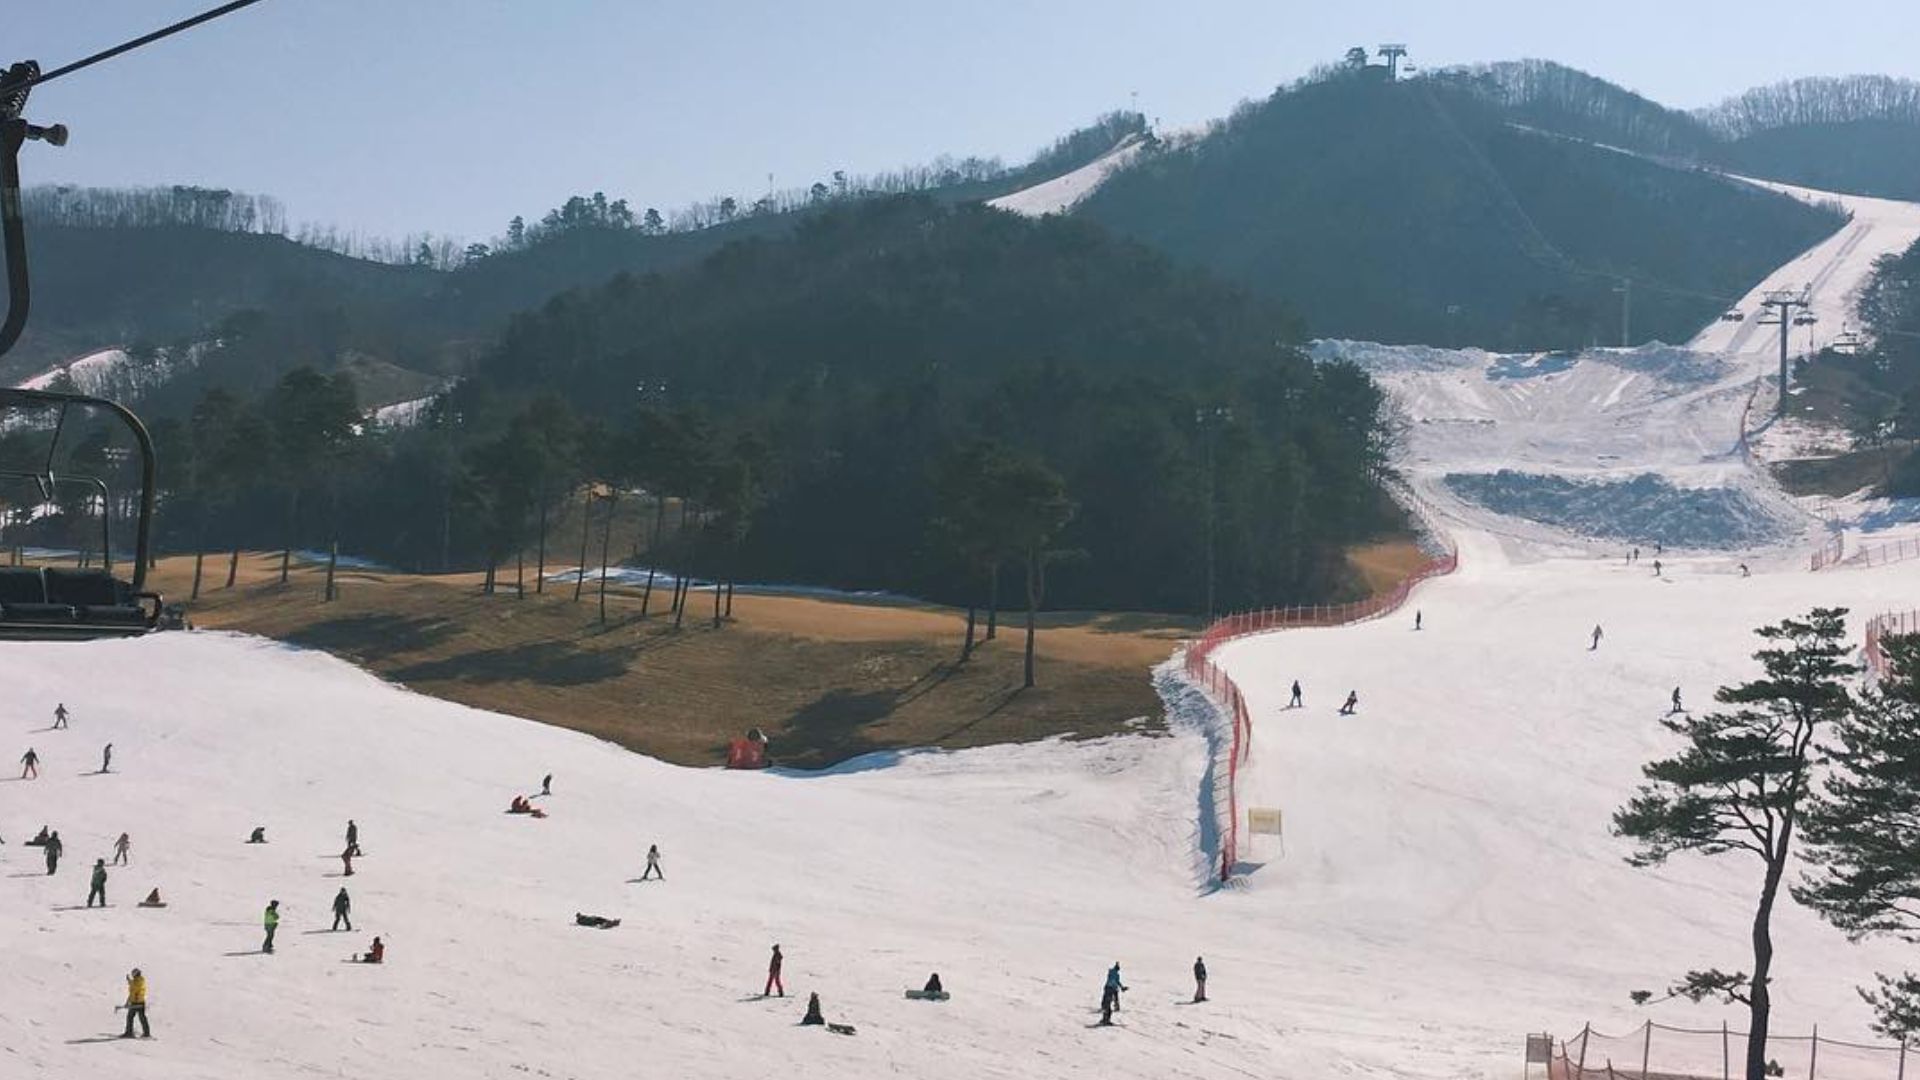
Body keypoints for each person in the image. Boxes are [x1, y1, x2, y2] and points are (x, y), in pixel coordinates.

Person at [120, 968, 149, 1039]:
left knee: (131, 1017)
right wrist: (129, 981)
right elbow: (134, 985)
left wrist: (128, 1002)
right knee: (141, 1017)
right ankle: (146, 1033)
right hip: (139, 1002)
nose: (132, 975)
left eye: (133, 974)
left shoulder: (138, 981)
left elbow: (134, 989)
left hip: (137, 1003)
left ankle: (129, 1032)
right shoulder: (139, 980)